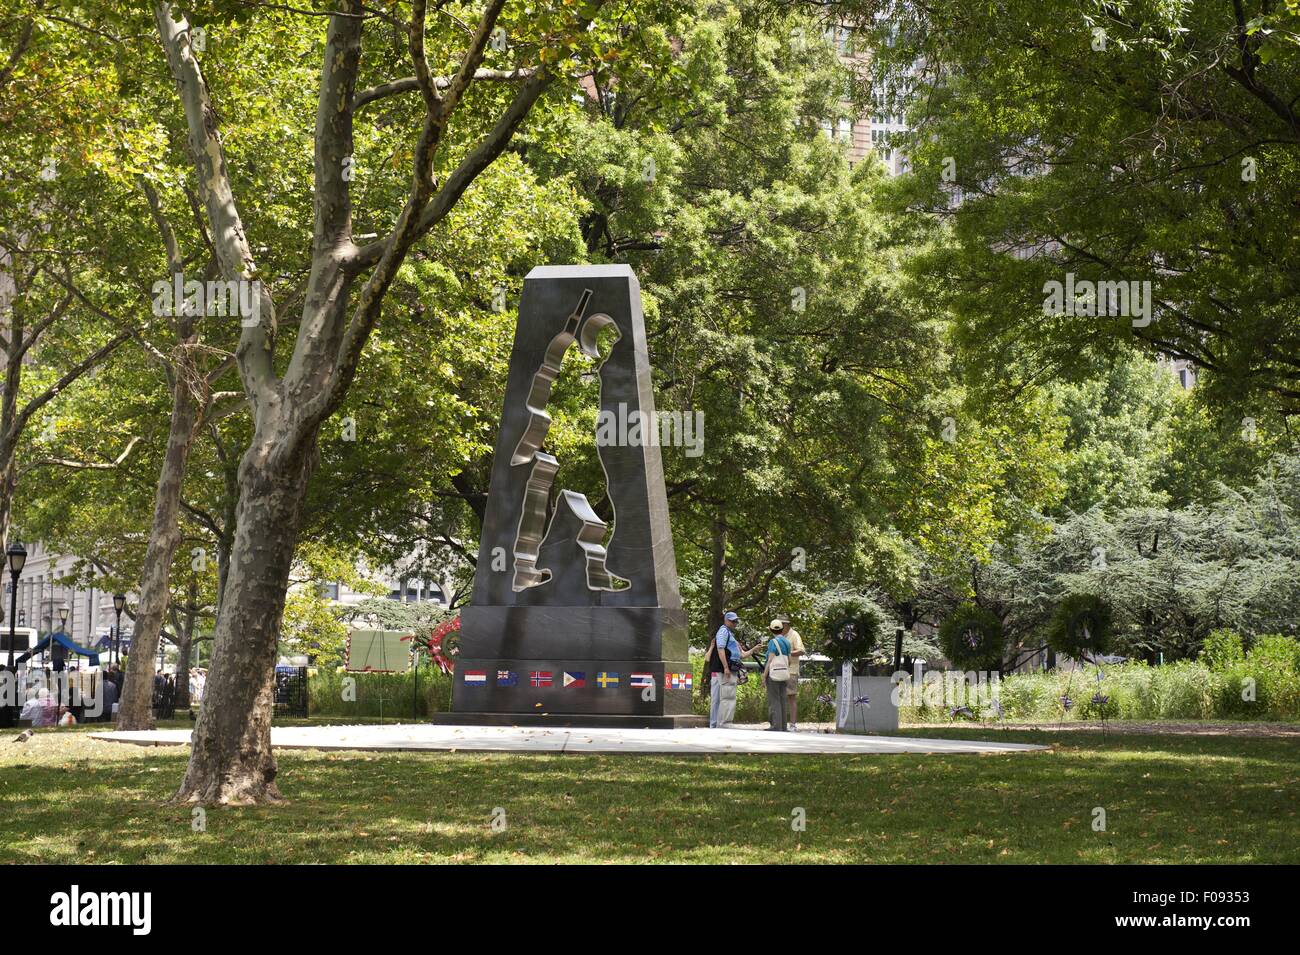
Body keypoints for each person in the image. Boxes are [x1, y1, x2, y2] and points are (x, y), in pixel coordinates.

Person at [707, 611, 759, 728]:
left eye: (736, 621)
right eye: (732, 621)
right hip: (726, 669)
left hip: (732, 668)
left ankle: (724, 722)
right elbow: (720, 649)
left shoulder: (730, 634)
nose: (735, 623)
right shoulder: (723, 632)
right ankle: (723, 723)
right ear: (726, 620)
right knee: (726, 696)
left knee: (729, 696)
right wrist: (725, 667)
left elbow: (741, 655)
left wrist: (753, 649)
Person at [769, 619, 806, 731]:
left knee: (791, 697)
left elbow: (802, 650)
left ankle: (793, 724)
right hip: (778, 670)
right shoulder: (779, 636)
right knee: (779, 698)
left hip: (791, 670)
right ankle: (780, 724)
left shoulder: (794, 635)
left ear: (786, 624)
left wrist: (786, 653)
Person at [763, 626, 792, 731]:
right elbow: (789, 660)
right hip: (784, 674)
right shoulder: (787, 642)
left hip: (773, 674)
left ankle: (776, 726)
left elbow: (770, 660)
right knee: (782, 699)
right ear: (782, 629)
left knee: (774, 700)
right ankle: (783, 726)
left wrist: (764, 675)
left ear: (771, 630)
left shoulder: (773, 642)